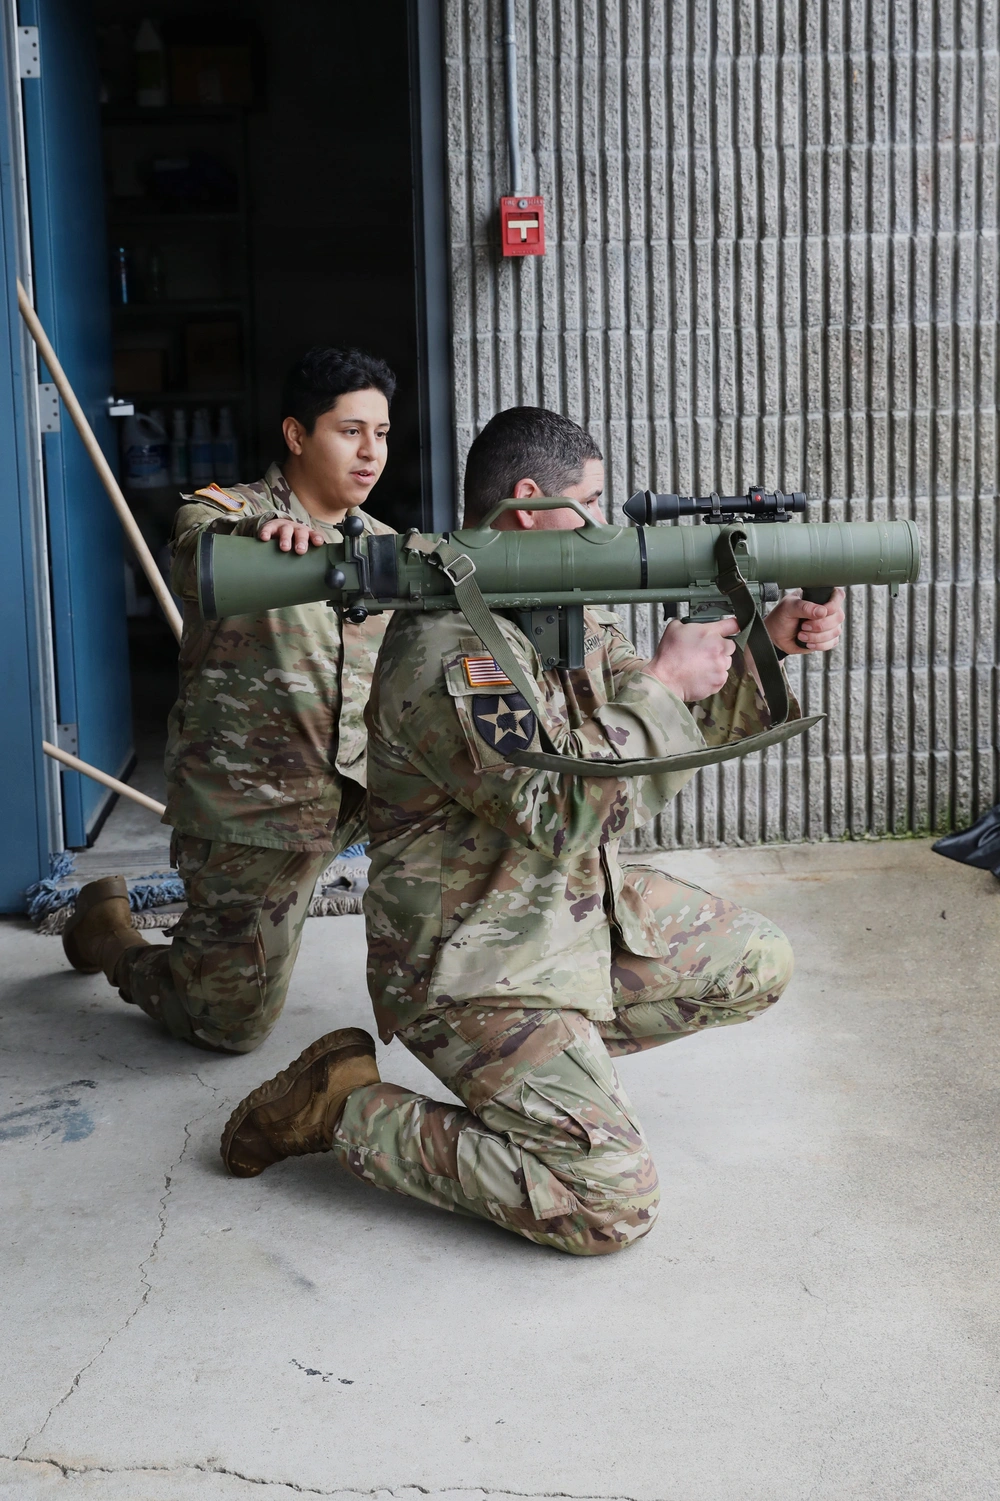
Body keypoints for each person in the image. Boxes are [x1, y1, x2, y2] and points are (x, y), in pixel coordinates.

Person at [219, 406, 846, 1254]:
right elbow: (563, 810)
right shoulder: (451, 650)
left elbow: (655, 727)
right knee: (609, 1202)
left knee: (758, 960)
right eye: (591, 502)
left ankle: (551, 1073)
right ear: (526, 505)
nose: (605, 523)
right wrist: (665, 682)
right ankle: (342, 1108)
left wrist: (764, 649)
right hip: (472, 962)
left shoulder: (560, 610)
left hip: (569, 913)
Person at [61, 347, 397, 1054]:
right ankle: (109, 934)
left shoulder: (385, 548)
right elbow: (196, 554)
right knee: (227, 1024)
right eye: (350, 431)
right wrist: (255, 537)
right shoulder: (226, 517)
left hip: (360, 794)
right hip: (259, 810)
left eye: (382, 433)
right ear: (297, 434)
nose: (371, 452)